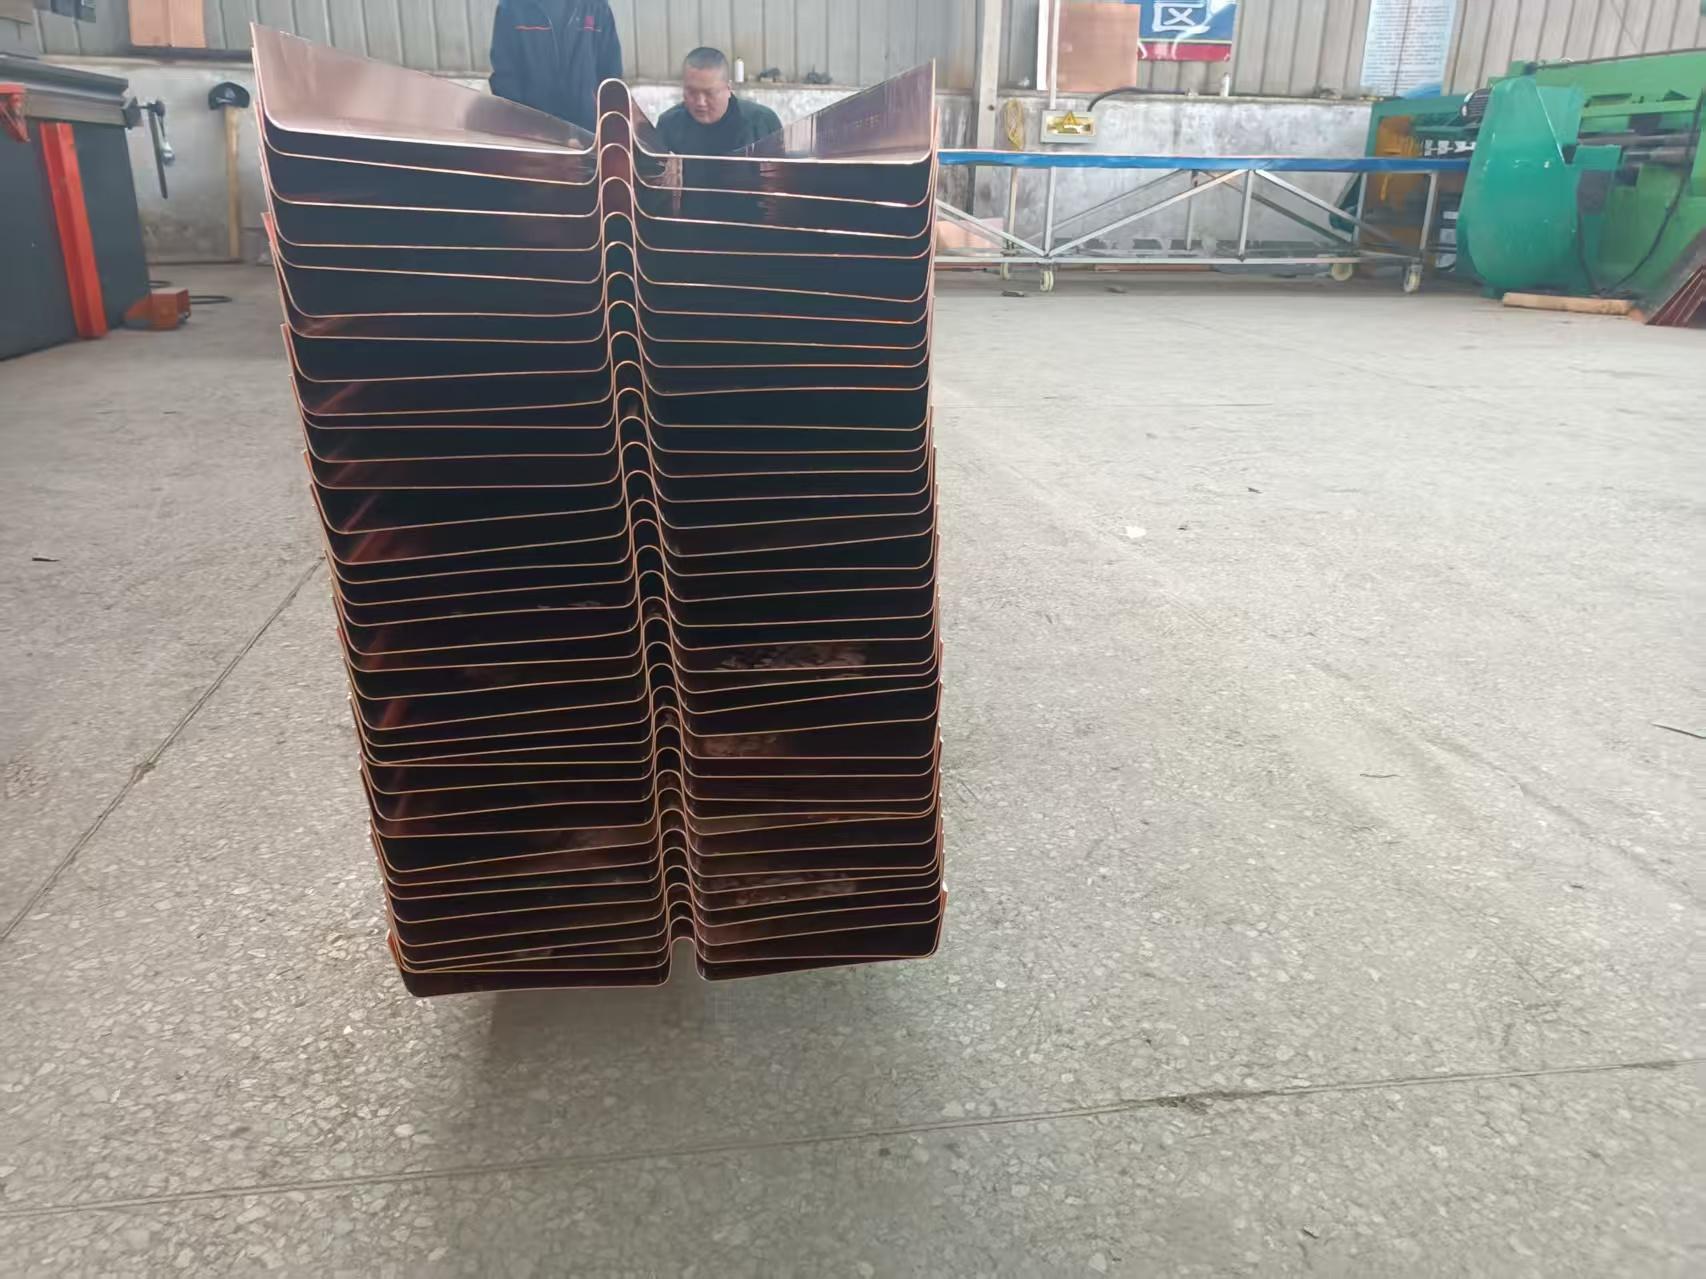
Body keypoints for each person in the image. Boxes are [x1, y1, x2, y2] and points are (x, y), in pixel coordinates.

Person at [489, 0, 622, 134]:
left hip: (590, 133)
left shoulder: (597, 6)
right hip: (533, 136)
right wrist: (522, 130)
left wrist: (607, 132)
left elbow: (611, 79)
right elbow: (505, 81)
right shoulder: (512, 7)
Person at [656, 48, 783, 156]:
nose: (700, 102)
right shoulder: (669, 126)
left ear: (728, 89)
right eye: (692, 92)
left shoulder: (762, 123)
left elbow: (781, 174)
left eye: (709, 93)